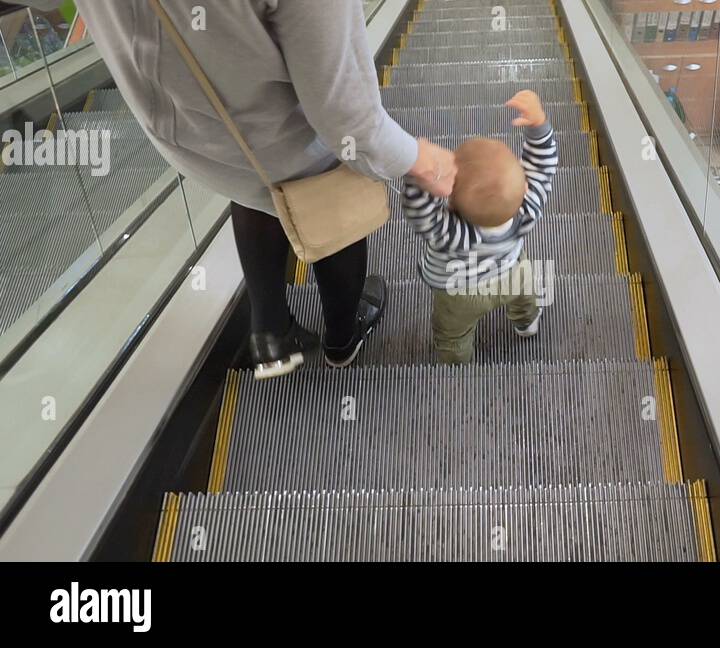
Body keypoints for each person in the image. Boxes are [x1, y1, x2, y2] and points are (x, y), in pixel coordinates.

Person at [21, 0, 457, 378]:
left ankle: (270, 331)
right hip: (286, 133)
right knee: (329, 198)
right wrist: (421, 160)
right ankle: (343, 338)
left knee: (255, 183)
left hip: (189, 134)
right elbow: (349, 120)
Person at [401, 91, 558, 364]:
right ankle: (526, 323)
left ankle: (456, 357)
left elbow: (420, 213)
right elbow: (542, 167)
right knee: (525, 293)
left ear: (447, 197)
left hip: (460, 291)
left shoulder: (450, 235)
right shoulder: (527, 210)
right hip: (511, 273)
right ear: (524, 187)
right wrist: (538, 126)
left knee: (453, 330)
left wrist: (420, 176)